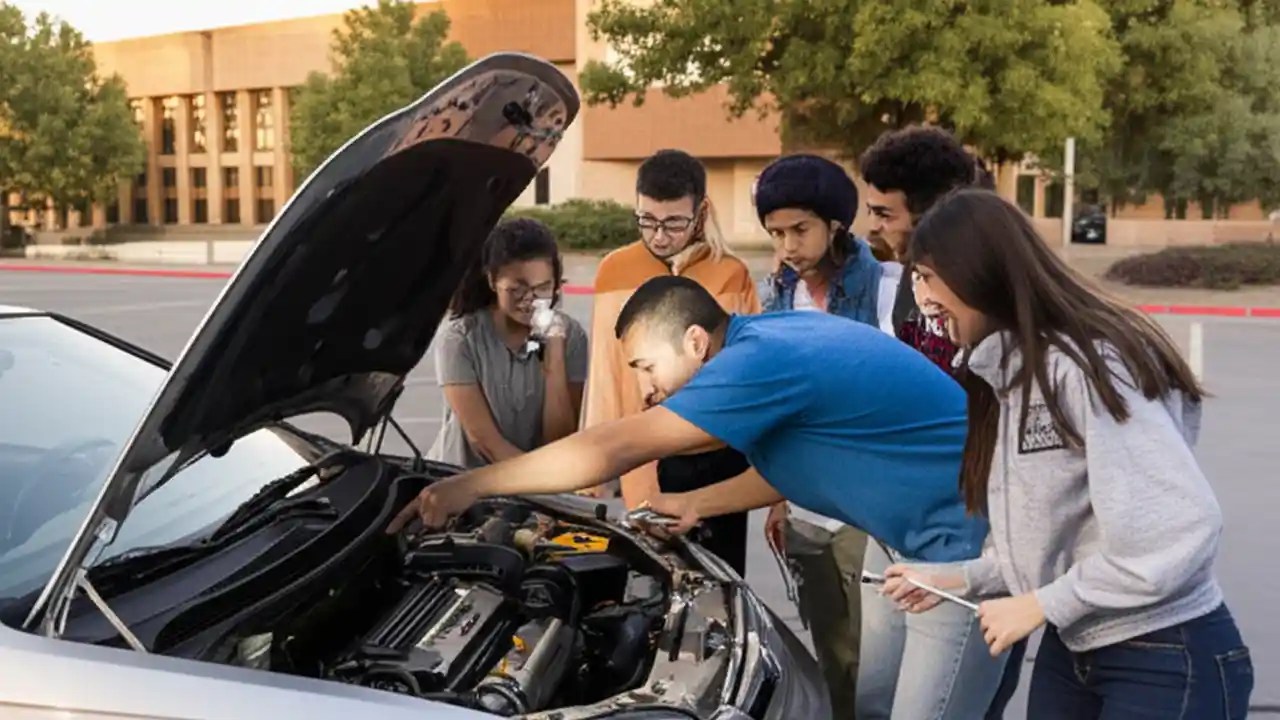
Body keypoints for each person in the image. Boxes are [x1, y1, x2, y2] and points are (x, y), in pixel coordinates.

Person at [392, 275, 1007, 720]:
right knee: (871, 708)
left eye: (644, 366)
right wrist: (699, 504)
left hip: (961, 555)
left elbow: (612, 449)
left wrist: (469, 484)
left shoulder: (757, 363)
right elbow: (802, 457)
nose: (645, 388)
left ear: (693, 342)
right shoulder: (761, 343)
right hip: (901, 543)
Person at [883, 189, 1254, 718]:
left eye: (926, 276)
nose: (922, 299)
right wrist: (962, 577)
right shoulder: (1010, 373)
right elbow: (1058, 529)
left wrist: (1040, 604)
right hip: (1077, 648)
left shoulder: (1083, 365)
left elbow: (1177, 531)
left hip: (1164, 653)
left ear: (977, 271)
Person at [858, 125, 1027, 719]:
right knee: (875, 696)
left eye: (884, 212)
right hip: (910, 516)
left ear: (933, 211)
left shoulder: (998, 296)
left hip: (975, 528)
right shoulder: (906, 280)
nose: (873, 226)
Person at [750, 153, 901, 716]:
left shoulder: (889, 290)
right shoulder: (779, 298)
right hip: (805, 504)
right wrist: (775, 498)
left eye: (800, 229)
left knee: (878, 666)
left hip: (871, 507)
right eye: (776, 232)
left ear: (836, 225)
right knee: (832, 655)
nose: (788, 244)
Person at [577, 148, 760, 576]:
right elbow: (604, 375)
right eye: (647, 220)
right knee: (650, 584)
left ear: (700, 213)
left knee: (721, 582)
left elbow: (751, 377)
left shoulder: (731, 273)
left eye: (674, 222)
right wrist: (591, 472)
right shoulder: (614, 270)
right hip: (642, 455)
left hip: (719, 459)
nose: (659, 236)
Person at [426, 217, 588, 468]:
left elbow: (560, 441)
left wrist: (555, 359)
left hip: (537, 487)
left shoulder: (571, 337)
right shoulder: (460, 340)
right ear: (492, 281)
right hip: (465, 482)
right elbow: (485, 443)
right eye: (517, 289)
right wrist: (543, 483)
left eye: (543, 288)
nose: (531, 300)